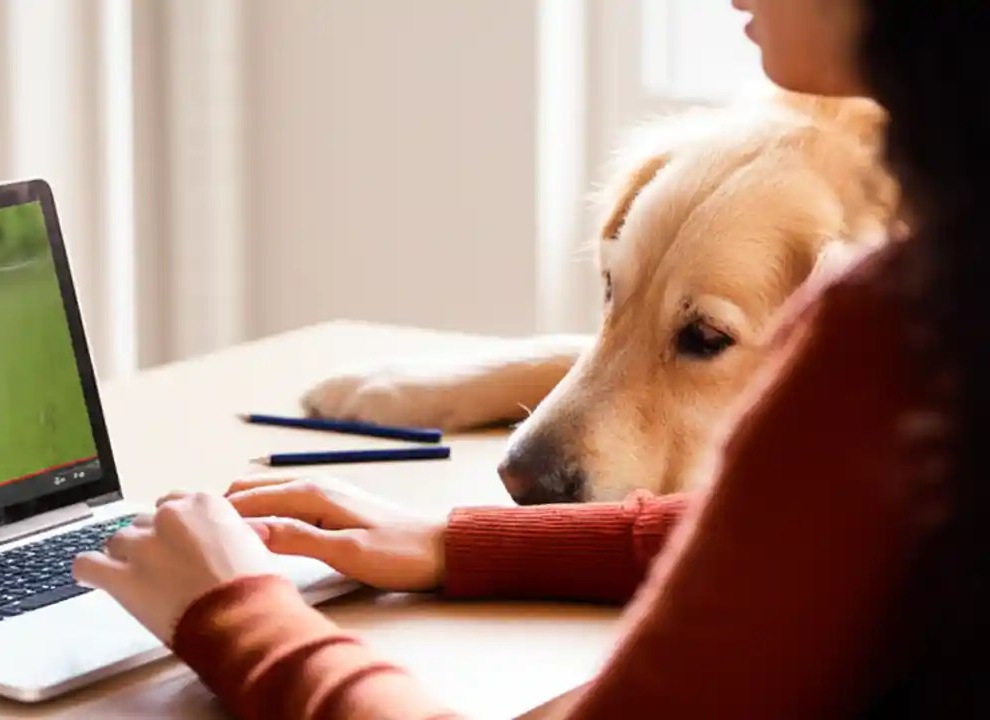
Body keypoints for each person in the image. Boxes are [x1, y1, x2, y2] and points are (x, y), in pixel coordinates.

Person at [73, 1, 990, 717]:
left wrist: (236, 615)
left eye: (702, 338)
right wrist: (460, 543)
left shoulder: (904, 330)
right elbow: (830, 542)